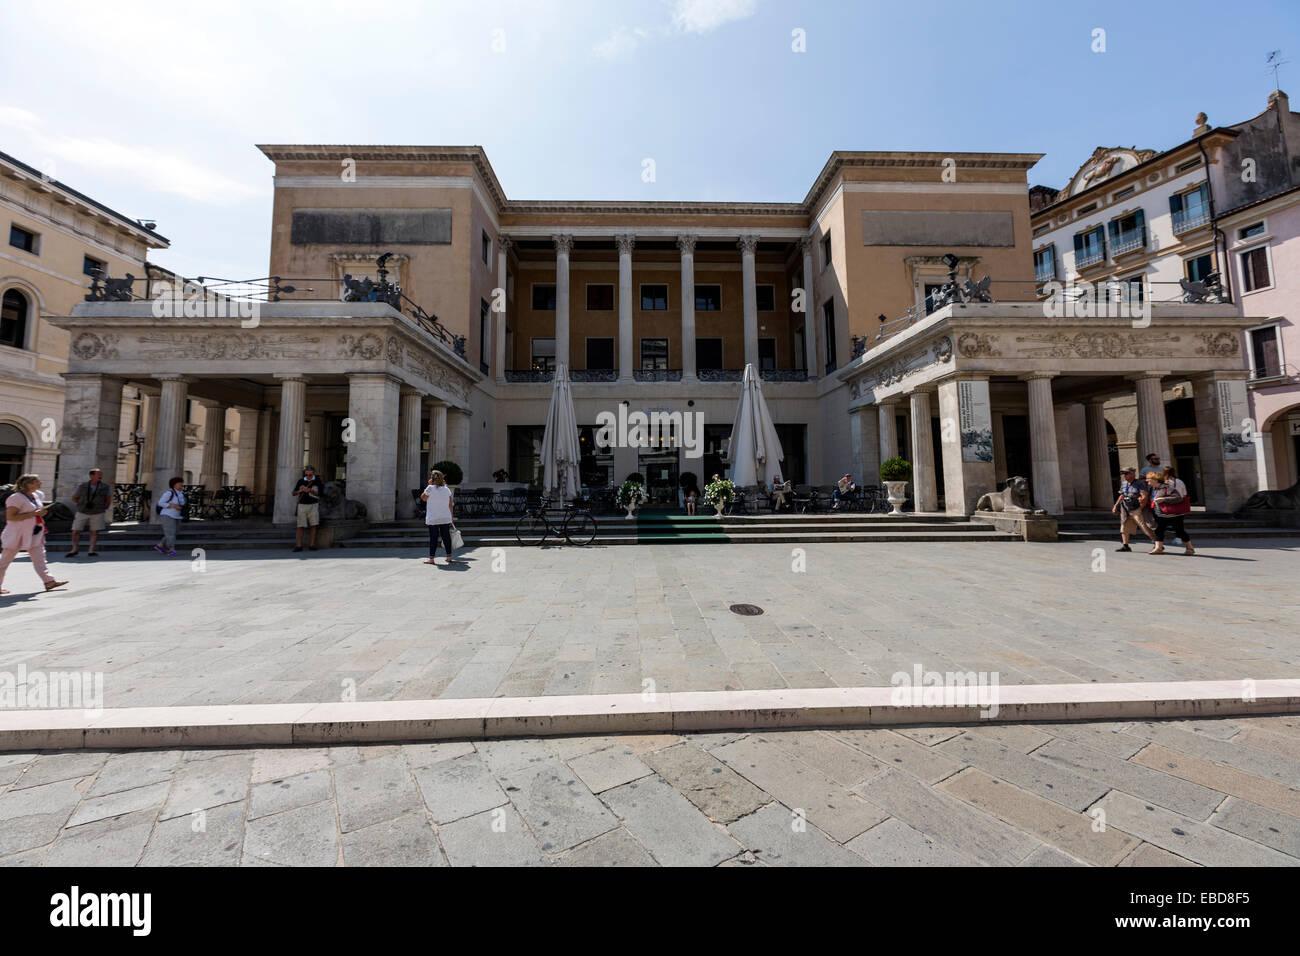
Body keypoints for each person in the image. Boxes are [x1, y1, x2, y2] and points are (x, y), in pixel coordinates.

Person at [1, 474, 67, 595]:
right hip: (17, 534)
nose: (40, 483)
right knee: (4, 562)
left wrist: (41, 513)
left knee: (40, 558)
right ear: (28, 484)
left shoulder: (36, 495)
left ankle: (49, 581)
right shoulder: (15, 498)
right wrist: (33, 514)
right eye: (37, 482)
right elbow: (10, 517)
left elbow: (35, 512)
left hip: (34, 533)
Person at [1149, 466, 1194, 555]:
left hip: (1174, 513)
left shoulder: (1166, 487)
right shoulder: (1154, 488)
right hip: (1161, 513)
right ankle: (1158, 548)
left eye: (1149, 479)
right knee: (1159, 530)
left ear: (1156, 480)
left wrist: (1164, 499)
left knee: (1179, 530)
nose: (1147, 481)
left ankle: (1190, 547)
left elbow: (1178, 497)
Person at [67, 467, 111, 557]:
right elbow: (74, 497)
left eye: (101, 474)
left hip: (98, 512)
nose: (100, 476)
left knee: (94, 531)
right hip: (82, 511)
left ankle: (91, 550)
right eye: (98, 474)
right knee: (75, 531)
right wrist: (82, 504)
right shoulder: (83, 486)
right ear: (91, 475)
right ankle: (74, 549)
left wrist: (103, 508)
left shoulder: (105, 487)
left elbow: (108, 499)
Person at [1111, 466, 1155, 552]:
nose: (1124, 475)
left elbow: (1145, 496)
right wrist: (1115, 505)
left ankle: (1156, 543)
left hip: (1136, 508)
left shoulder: (1139, 483)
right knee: (1124, 526)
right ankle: (1125, 545)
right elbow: (1122, 495)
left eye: (1126, 473)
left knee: (1144, 526)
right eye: (1123, 474)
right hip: (1125, 507)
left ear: (1132, 474)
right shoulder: (1124, 483)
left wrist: (1141, 508)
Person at [420, 468, 456, 565]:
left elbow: (423, 498)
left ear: (432, 479)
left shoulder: (430, 488)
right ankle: (448, 557)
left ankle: (431, 559)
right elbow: (450, 504)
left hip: (433, 517)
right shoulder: (446, 489)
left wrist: (429, 485)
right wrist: (451, 517)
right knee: (446, 537)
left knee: (433, 538)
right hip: (445, 517)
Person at [292, 465, 325, 552]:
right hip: (302, 505)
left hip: (313, 505)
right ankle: (299, 545)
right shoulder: (301, 481)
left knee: (313, 525)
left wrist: (310, 490)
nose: (308, 476)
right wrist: (300, 490)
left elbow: (321, 494)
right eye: (307, 474)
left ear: (313, 473)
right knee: (300, 526)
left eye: (310, 475)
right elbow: (293, 493)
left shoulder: (318, 481)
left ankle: (312, 544)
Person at [154, 477, 185, 556]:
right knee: (170, 533)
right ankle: (171, 550)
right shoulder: (169, 493)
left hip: (177, 516)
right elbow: (160, 503)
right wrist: (173, 506)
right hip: (167, 515)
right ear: (174, 484)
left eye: (181, 482)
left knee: (174, 533)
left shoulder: (180, 493)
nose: (181, 484)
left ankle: (160, 546)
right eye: (179, 483)